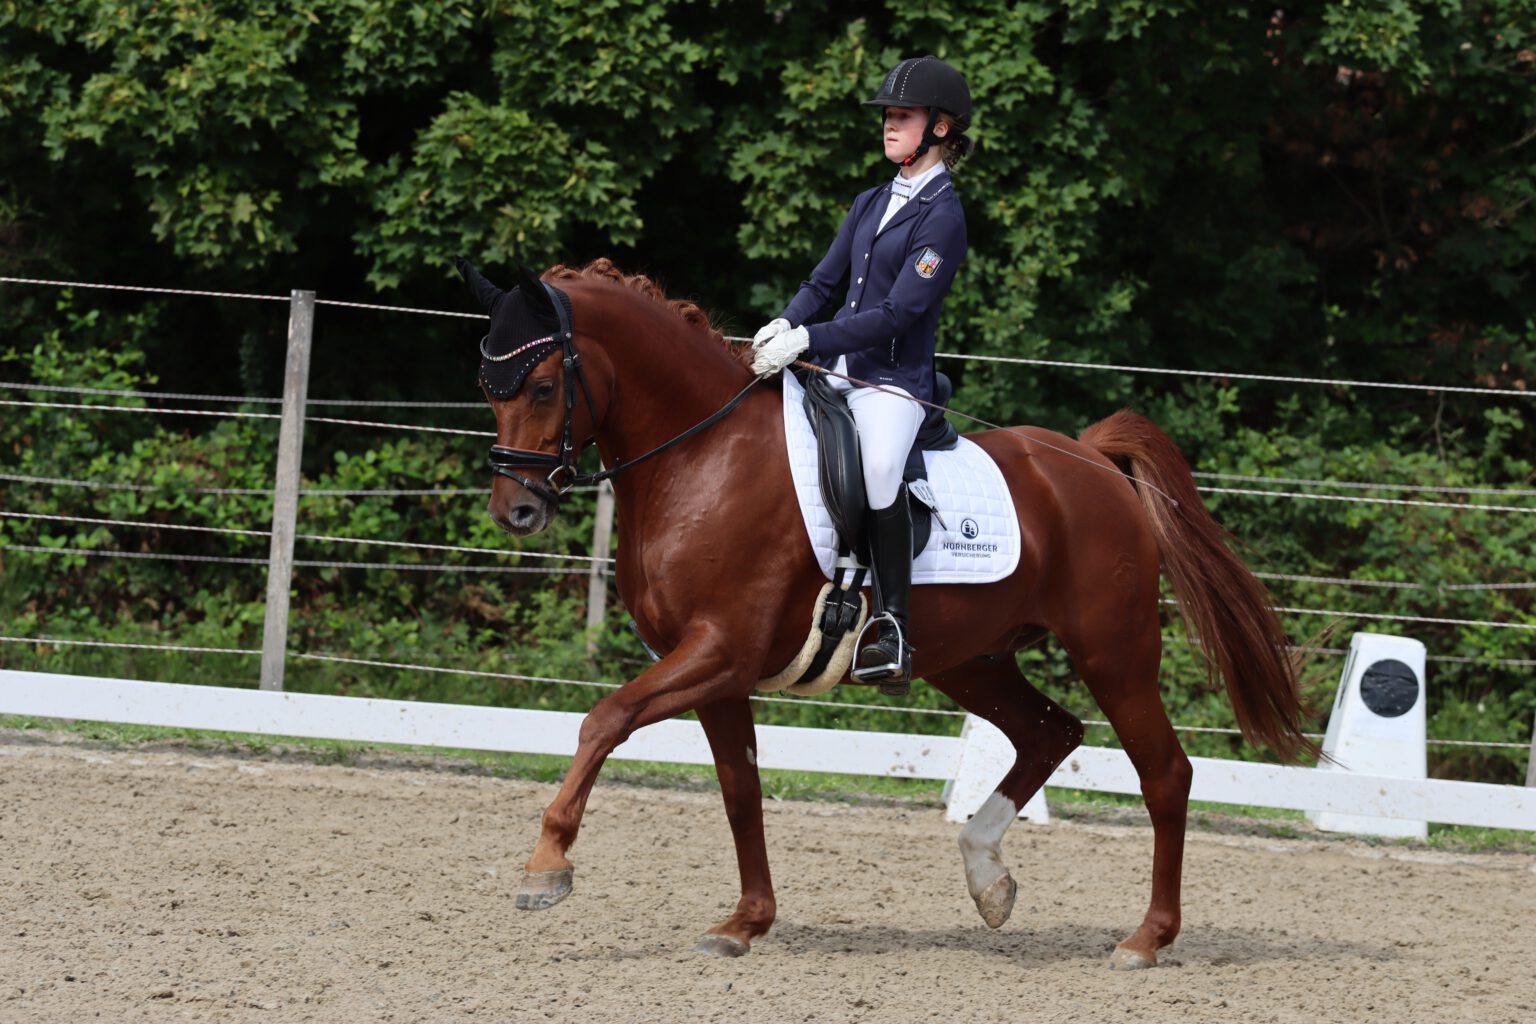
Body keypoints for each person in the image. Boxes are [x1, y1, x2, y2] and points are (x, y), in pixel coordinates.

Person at [751, 55, 972, 696]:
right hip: (834, 371)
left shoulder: (943, 217)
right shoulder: (873, 200)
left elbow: (901, 310)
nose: (888, 126)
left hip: (894, 383)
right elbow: (823, 282)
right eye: (887, 117)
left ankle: (894, 626)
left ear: (939, 128)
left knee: (878, 469)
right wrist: (782, 324)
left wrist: (808, 338)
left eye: (901, 116)